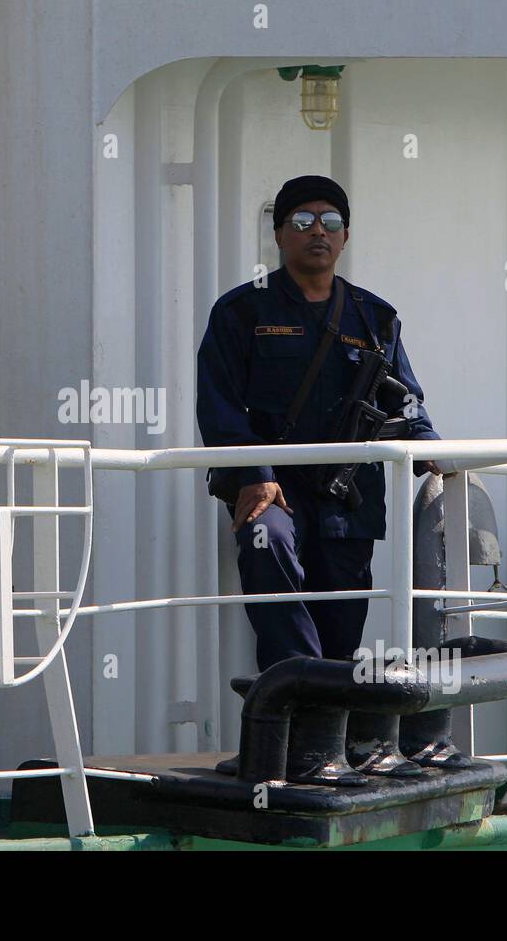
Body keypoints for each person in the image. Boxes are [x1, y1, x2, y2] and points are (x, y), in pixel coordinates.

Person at [196, 174, 440, 672]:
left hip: (347, 496)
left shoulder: (374, 317)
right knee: (270, 545)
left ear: (345, 236)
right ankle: (296, 696)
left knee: (343, 623)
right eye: (303, 222)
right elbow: (218, 406)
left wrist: (431, 448)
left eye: (330, 223)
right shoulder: (241, 310)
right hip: (271, 488)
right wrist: (254, 477)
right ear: (281, 234)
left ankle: (330, 731)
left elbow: (406, 399)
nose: (318, 233)